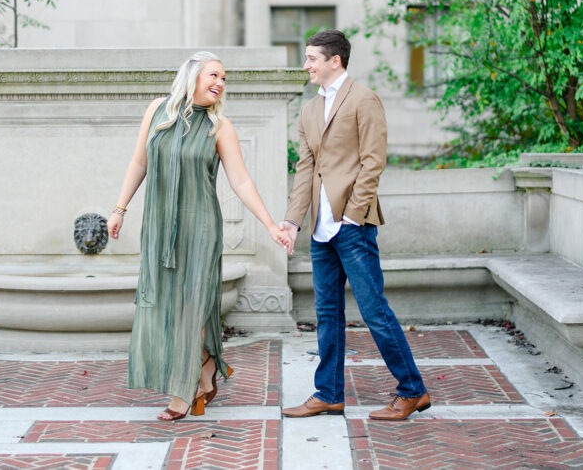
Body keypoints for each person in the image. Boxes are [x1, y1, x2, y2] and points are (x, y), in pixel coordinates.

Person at [108, 51, 294, 421]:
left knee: (191, 306)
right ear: (192, 76)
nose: (220, 83)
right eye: (214, 75)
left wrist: (271, 224)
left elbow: (240, 180)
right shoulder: (158, 110)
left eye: (224, 78)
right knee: (164, 303)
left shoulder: (220, 126)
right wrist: (120, 208)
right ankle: (208, 366)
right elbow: (139, 161)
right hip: (160, 226)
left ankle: (184, 390)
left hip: (200, 227)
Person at [279, 30, 430, 421]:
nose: (306, 64)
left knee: (374, 309)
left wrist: (351, 214)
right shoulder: (309, 110)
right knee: (327, 313)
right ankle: (328, 393)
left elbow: (372, 161)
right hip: (319, 231)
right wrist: (294, 220)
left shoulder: (364, 99)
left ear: (335, 60)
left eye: (312, 57)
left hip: (353, 226)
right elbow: (305, 168)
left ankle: (412, 390)